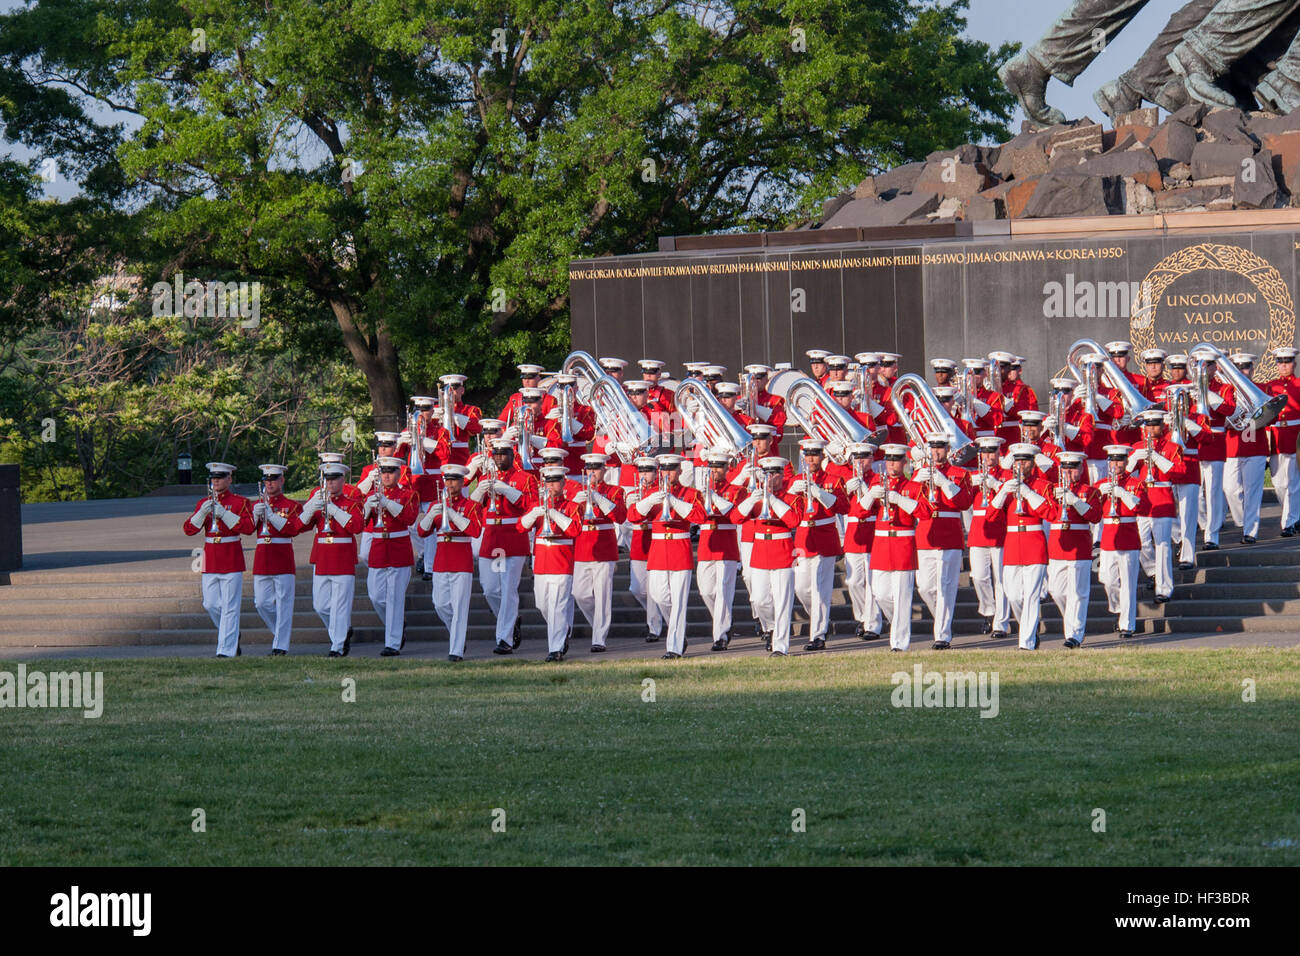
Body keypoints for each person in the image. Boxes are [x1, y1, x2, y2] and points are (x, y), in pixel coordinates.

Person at [628, 454, 706, 659]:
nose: (667, 473)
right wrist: (647, 502)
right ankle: (677, 631)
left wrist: (675, 502)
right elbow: (632, 516)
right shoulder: (651, 493)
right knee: (658, 595)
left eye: (672, 469)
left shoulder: (691, 493)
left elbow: (700, 517)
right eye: (664, 469)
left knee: (679, 601)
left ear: (680, 471)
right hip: (658, 550)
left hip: (680, 548)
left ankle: (674, 647)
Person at [468, 438, 538, 654]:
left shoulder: (524, 478)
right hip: (492, 538)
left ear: (512, 455)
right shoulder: (487, 477)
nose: (499, 458)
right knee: (490, 589)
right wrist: (478, 492)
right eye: (496, 454)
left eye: (503, 454)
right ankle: (511, 619)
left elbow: (531, 504)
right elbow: (471, 507)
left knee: (508, 590)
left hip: (513, 537)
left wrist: (508, 490)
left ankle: (504, 639)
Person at [860, 443, 932, 651]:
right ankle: (897, 624)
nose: (892, 464)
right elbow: (861, 511)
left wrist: (900, 499)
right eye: (889, 460)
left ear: (904, 463)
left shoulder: (913, 487)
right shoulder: (878, 484)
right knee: (881, 594)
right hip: (882, 544)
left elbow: (924, 513)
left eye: (896, 460)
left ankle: (899, 643)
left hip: (903, 543)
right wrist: (870, 495)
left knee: (902, 596)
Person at [182, 461, 255, 658]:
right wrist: (202, 513)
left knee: (230, 607)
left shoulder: (240, 502)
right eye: (213, 477)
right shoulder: (203, 503)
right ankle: (231, 633)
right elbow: (189, 530)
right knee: (211, 604)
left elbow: (248, 528)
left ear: (229, 479)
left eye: (220, 477)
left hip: (231, 556)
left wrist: (224, 513)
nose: (215, 480)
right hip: (211, 557)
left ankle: (226, 650)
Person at [733, 457, 804, 656]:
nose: (770, 478)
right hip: (760, 551)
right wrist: (751, 499)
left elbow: (793, 520)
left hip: (781, 550)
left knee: (782, 601)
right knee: (759, 600)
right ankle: (772, 627)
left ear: (782, 475)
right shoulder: (755, 498)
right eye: (766, 474)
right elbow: (735, 517)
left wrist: (772, 499)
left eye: (774, 474)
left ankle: (780, 646)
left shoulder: (792, 497)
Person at [990, 443, 1055, 650]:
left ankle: (1026, 642)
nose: (1021, 465)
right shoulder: (1006, 485)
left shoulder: (1042, 485)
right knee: (1014, 594)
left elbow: (1051, 514)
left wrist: (1028, 493)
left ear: (1032, 463)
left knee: (1031, 596)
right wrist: (1001, 494)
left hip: (1034, 544)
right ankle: (1030, 626)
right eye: (1017, 461)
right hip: (1012, 546)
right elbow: (991, 517)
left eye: (1025, 461)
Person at [912, 432, 973, 650]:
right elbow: (912, 503)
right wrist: (914, 484)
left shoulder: (960, 473)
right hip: (926, 535)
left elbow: (965, 502)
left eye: (941, 448)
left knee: (945, 587)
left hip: (949, 534)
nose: (937, 452)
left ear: (948, 449)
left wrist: (945, 483)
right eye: (933, 448)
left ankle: (942, 635)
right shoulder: (919, 473)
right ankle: (943, 620)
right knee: (926, 588)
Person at [418, 463, 483, 661]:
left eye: (454, 480)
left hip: (461, 560)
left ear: (463, 482)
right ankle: (457, 636)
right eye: (447, 480)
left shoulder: (471, 505)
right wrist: (431, 514)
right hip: (441, 560)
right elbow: (422, 531)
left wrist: (453, 513)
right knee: (440, 604)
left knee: (459, 608)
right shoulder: (434, 505)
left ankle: (455, 650)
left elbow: (475, 531)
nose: (450, 484)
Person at [300, 461, 365, 657]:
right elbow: (299, 526)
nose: (330, 483)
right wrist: (311, 506)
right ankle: (342, 630)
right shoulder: (317, 500)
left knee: (340, 605)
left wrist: (334, 509)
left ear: (342, 480)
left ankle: (337, 646)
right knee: (320, 605)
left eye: (334, 479)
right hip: (322, 556)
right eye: (327, 479)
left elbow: (356, 527)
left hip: (343, 556)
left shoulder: (352, 503)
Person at [520, 464, 584, 661]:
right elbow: (520, 527)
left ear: (563, 483)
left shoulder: (572, 507)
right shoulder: (536, 505)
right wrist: (534, 514)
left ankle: (555, 649)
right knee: (542, 604)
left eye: (555, 481)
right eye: (547, 481)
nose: (550, 485)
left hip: (561, 563)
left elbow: (575, 530)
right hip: (542, 563)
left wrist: (555, 513)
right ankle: (562, 629)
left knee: (557, 606)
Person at [790, 439, 848, 651]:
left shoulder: (833, 480)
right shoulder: (795, 480)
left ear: (822, 456)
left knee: (820, 589)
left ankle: (818, 634)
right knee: (802, 588)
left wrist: (819, 493)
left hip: (824, 536)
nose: (811, 458)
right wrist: (791, 493)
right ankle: (818, 618)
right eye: (808, 455)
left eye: (815, 454)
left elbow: (843, 507)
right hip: (804, 537)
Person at [363, 455, 420, 656]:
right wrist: (367, 506)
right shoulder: (372, 493)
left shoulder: (408, 494)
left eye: (390, 472)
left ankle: (393, 643)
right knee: (376, 595)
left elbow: (409, 518)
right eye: (383, 472)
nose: (386, 476)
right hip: (378, 544)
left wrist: (387, 503)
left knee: (395, 597)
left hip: (398, 545)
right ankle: (396, 624)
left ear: (398, 474)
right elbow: (361, 523)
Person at [1046, 452, 1103, 648]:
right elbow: (1047, 513)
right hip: (1058, 546)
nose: (1068, 472)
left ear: (1080, 470)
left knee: (1078, 593)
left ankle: (1075, 635)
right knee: (1056, 590)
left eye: (1073, 468)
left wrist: (1076, 501)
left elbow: (1095, 517)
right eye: (1065, 468)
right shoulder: (1053, 490)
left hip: (1079, 547)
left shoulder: (1090, 491)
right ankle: (1071, 624)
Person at [571, 453, 626, 652]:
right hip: (583, 546)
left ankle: (599, 638)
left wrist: (599, 498)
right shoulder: (577, 491)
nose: (592, 472)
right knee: (580, 593)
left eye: (596, 468)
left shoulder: (615, 491)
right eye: (589, 469)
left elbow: (620, 517)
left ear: (604, 470)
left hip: (604, 547)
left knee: (602, 595)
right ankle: (598, 625)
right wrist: (575, 502)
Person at [1098, 444, 1149, 641]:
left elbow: (1144, 508)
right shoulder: (1101, 483)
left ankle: (1127, 625)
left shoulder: (1135, 483)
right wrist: (1100, 492)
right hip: (1109, 537)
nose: (1116, 464)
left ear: (1127, 462)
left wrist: (1124, 494)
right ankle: (1119, 608)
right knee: (1107, 580)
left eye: (1119, 460)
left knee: (1128, 583)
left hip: (1128, 537)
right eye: (1112, 460)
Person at [696, 448, 745, 651]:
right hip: (707, 542)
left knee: (724, 592)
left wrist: (714, 497)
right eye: (712, 466)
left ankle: (721, 635)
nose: (714, 470)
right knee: (706, 591)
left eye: (719, 466)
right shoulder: (700, 492)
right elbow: (696, 516)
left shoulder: (736, 490)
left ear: (727, 468)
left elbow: (734, 515)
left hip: (726, 542)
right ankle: (723, 620)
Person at [250, 463, 302, 656]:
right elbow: (246, 529)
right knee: (261, 603)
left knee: (284, 602)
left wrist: (271, 516)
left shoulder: (291, 505)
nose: (269, 483)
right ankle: (279, 634)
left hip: (282, 557)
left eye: (273, 479)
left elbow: (293, 529)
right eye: (266, 480)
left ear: (281, 480)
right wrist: (255, 516)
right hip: (263, 557)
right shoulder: (257, 504)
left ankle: (280, 645)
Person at [967, 437, 1012, 640]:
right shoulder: (974, 475)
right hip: (979, 530)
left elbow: (1011, 501)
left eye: (991, 452)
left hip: (1000, 529)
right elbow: (961, 499)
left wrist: (996, 485)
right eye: (984, 453)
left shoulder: (1007, 475)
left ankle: (1000, 623)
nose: (988, 456)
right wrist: (969, 485)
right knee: (979, 577)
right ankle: (988, 610)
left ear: (998, 453)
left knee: (1001, 579)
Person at [1223, 352, 1268, 544]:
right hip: (1232, 447)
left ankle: (1250, 532)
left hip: (1256, 447)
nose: (1243, 371)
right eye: (1239, 367)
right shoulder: (1226, 391)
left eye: (1246, 367)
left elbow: (1271, 416)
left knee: (1253, 492)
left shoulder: (1262, 389)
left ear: (1252, 369)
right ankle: (1242, 520)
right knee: (1230, 489)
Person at [1193, 349, 1235, 551]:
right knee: (1196, 492)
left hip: (1215, 441)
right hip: (1194, 443)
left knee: (1213, 491)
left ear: (1214, 367)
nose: (1204, 368)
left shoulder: (1225, 388)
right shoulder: (1188, 388)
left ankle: (1213, 534)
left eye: (1208, 364)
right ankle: (1203, 525)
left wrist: (1206, 394)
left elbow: (1229, 409)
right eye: (1200, 364)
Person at [841, 442, 885, 640]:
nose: (860, 461)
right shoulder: (845, 479)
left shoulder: (878, 479)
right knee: (854, 581)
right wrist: (844, 490)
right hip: (854, 532)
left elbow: (877, 505)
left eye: (865, 457)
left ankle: (872, 624)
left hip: (873, 530)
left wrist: (865, 488)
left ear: (872, 459)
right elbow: (839, 506)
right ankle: (862, 616)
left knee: (872, 583)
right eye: (856, 457)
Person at [624, 456, 665, 643]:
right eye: (641, 471)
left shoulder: (660, 491)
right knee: (638, 588)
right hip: (639, 540)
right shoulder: (633, 492)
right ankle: (653, 615)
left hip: (655, 539)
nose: (644, 475)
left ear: (656, 473)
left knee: (653, 589)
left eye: (648, 471)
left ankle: (654, 626)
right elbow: (630, 517)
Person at [1264, 347, 1300, 535]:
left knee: (1292, 482)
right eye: (1280, 362)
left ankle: (1289, 522)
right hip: (1276, 437)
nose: (1284, 365)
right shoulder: (1271, 387)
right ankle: (1295, 514)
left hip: (1295, 437)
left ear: (1294, 363)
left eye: (1287, 361)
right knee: (1279, 483)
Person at [438, 373, 483, 469]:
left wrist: (454, 416)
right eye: (446, 389)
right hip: (439, 459)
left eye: (453, 388)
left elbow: (478, 428)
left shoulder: (470, 410)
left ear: (462, 390)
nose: (449, 392)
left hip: (460, 458)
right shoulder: (435, 410)